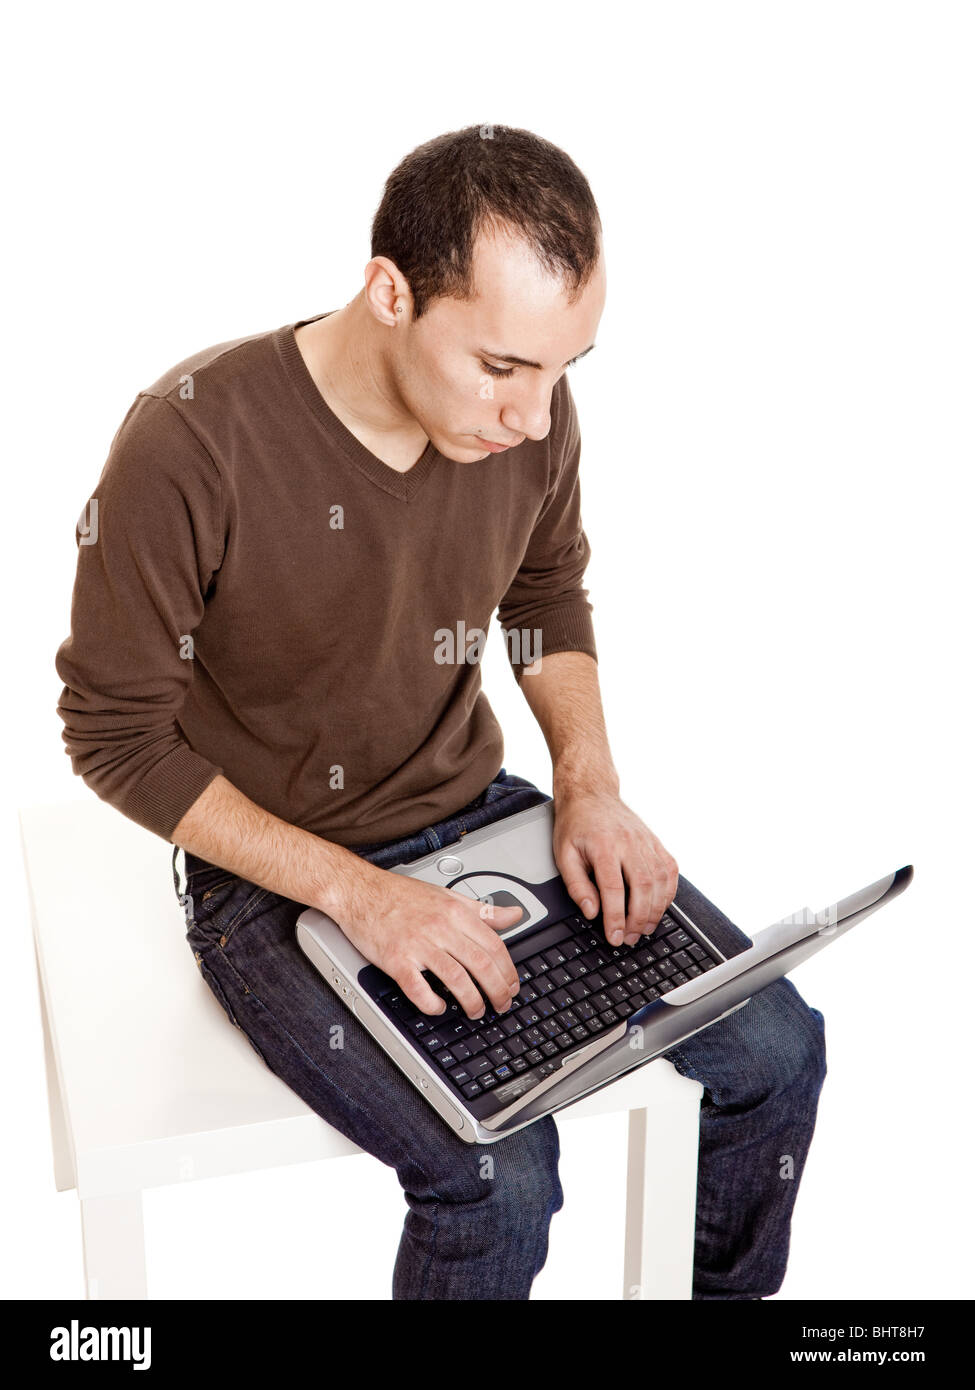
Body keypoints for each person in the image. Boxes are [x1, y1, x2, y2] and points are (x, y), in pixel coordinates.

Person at [54, 123, 826, 1300]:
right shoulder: (191, 438)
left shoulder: (528, 417)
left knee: (779, 1049)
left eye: (565, 371)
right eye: (503, 367)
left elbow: (543, 590)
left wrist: (589, 783)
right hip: (272, 881)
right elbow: (113, 734)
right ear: (390, 292)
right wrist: (361, 894)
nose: (533, 415)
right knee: (499, 1171)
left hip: (474, 812)